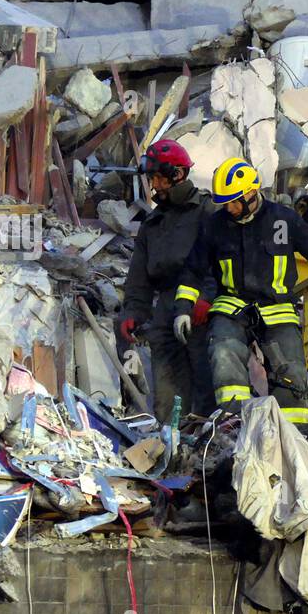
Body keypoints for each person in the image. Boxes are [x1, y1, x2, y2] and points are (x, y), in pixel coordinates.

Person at [172, 157, 308, 427]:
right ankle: (234, 426)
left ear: (252, 193)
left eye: (235, 201)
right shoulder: (215, 226)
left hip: (277, 308)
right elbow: (192, 271)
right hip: (231, 308)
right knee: (224, 354)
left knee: (291, 374)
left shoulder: (283, 221)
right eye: (225, 203)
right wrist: (182, 310)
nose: (230, 208)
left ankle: (292, 436)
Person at [117, 139, 216, 418]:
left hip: (203, 309)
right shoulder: (152, 224)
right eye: (152, 179)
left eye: (159, 178)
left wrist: (207, 299)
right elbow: (139, 278)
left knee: (207, 389)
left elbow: (223, 262)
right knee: (167, 399)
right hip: (166, 311)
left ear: (178, 175)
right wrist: (133, 313)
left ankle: (212, 445)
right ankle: (173, 446)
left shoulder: (208, 211)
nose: (155, 186)